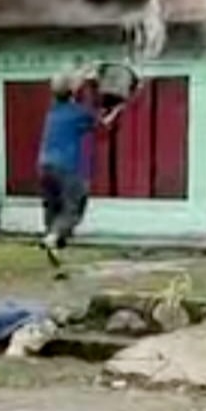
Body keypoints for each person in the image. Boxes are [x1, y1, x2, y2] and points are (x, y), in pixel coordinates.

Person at [37, 69, 121, 267]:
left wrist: (84, 78)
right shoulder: (78, 113)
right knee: (74, 207)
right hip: (66, 166)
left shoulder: (53, 110)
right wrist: (117, 111)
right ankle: (53, 238)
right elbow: (103, 126)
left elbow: (70, 91)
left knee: (53, 206)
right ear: (73, 92)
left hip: (44, 166)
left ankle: (53, 244)